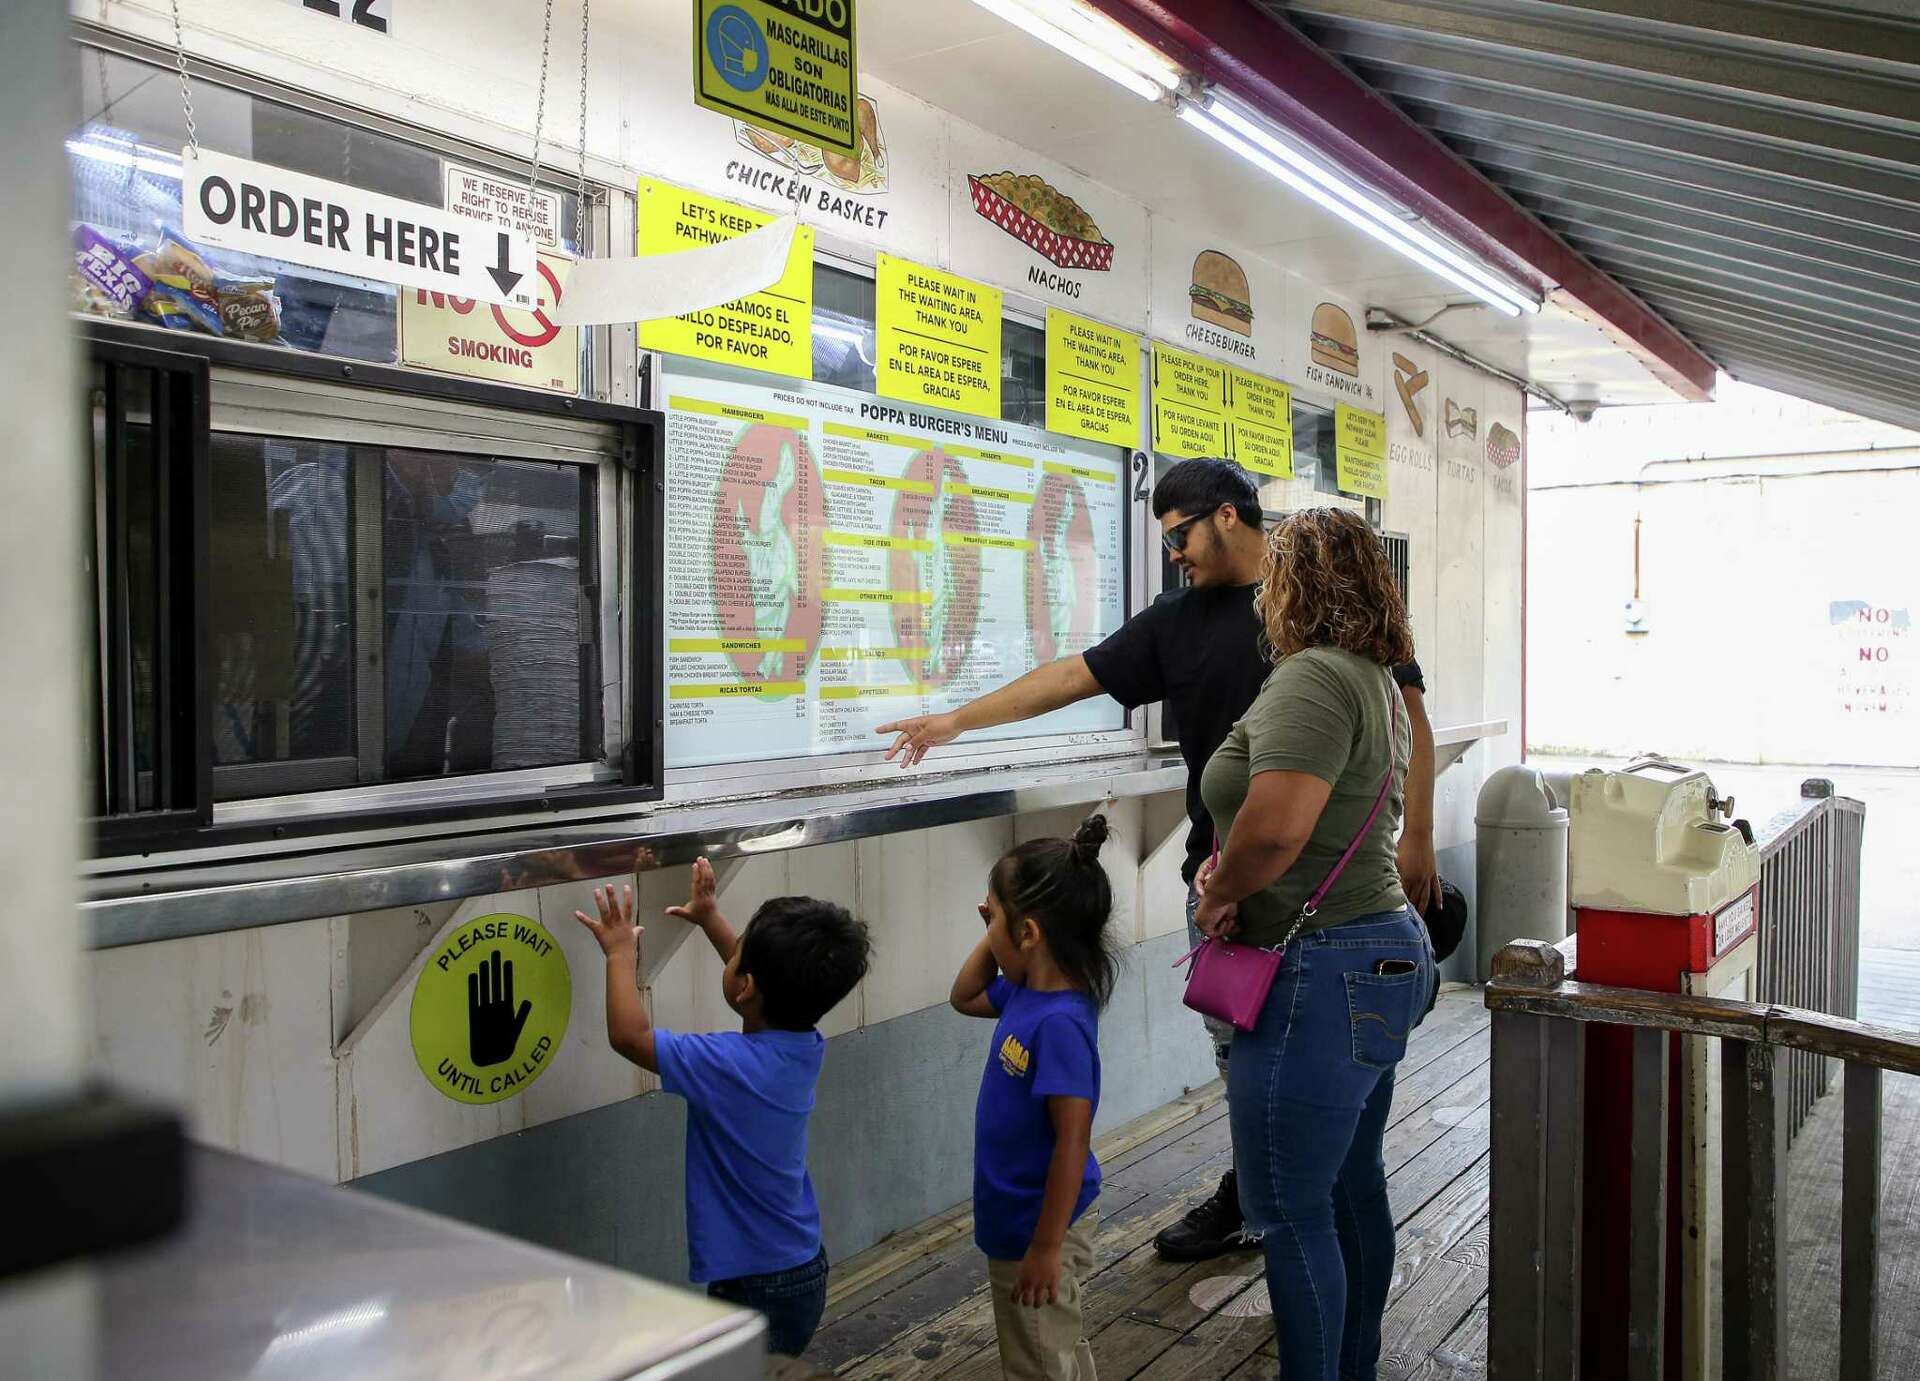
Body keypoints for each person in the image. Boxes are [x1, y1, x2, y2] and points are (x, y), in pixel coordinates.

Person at [879, 459, 1437, 1261]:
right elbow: (1074, 675)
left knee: (1324, 1101)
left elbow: (1404, 705)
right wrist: (955, 722)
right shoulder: (1176, 620)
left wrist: (1417, 833)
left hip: (1333, 894)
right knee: (1243, 1061)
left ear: (1228, 516)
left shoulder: (1319, 598)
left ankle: (1295, 1214)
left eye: (1179, 534)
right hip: (1225, 884)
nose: (1173, 552)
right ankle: (1261, 1197)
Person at [1191, 507, 1440, 1381]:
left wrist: (1220, 888)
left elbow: (1275, 833)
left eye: (1274, 580)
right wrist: (1232, 873)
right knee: (1347, 1184)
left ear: (1293, 585)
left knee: (1287, 1209)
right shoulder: (1375, 677)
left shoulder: (1313, 677)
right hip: (1375, 955)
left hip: (1320, 973)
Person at [572, 863, 872, 1357]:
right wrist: (711, 919)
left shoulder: (728, 1067)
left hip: (757, 1284)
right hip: (797, 1263)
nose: (729, 956)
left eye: (735, 955)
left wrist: (620, 953)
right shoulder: (804, 1043)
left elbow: (629, 1037)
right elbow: (756, 983)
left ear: (746, 986)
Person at [950, 814, 1116, 1381]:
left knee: (1037, 1361)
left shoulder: (1061, 1023)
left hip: (1040, 1226)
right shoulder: (1024, 991)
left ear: (1029, 935)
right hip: (1018, 1216)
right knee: (1054, 1347)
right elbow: (963, 996)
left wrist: (1046, 1248)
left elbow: (1073, 1140)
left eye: (990, 914)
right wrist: (997, 928)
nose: (985, 924)